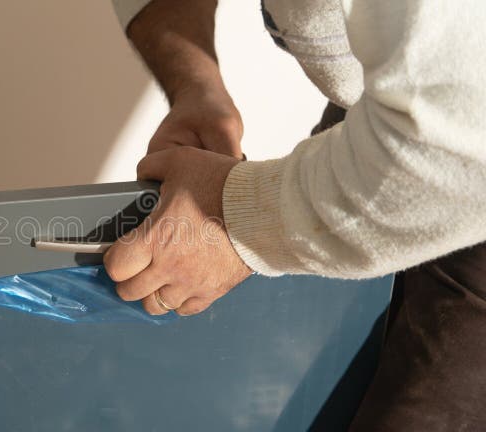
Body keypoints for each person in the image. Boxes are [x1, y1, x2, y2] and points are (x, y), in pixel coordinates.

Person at [102, 0, 486, 429]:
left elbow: (459, 142)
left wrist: (235, 220)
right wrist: (197, 84)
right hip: (390, 118)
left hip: (465, 153)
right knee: (298, 394)